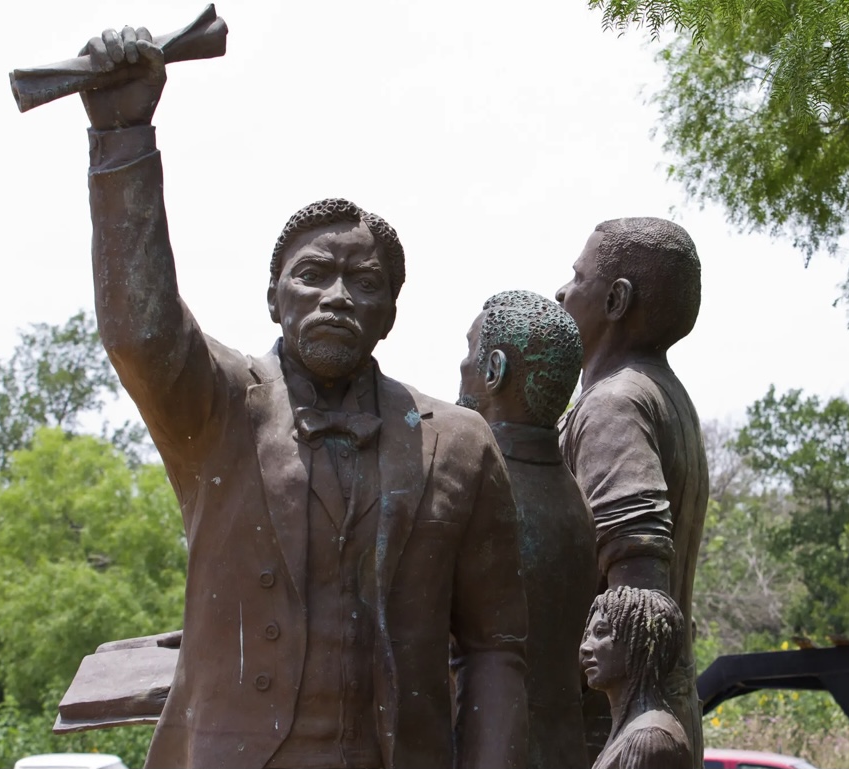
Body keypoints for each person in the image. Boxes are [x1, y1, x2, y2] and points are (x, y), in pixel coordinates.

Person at [74, 26, 528, 769]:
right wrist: (122, 136)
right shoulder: (218, 409)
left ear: (390, 313)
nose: (337, 297)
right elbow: (141, 331)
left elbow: (495, 647)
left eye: (365, 283)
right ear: (274, 298)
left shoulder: (458, 443)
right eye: (312, 275)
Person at [556, 218, 708, 765]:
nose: (562, 293)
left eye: (578, 278)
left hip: (615, 732)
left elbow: (638, 587)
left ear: (616, 301)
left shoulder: (613, 405)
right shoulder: (665, 396)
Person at [457, 289, 599, 769]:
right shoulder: (573, 497)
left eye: (469, 350)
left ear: (494, 371)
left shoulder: (474, 489)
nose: (461, 364)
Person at [580, 586, 691, 769]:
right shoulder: (629, 730)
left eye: (601, 633)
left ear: (640, 642)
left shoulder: (649, 739)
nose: (585, 646)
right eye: (587, 635)